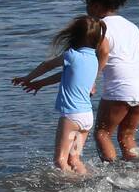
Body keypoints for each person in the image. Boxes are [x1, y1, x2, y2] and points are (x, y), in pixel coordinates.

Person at [12, 15, 105, 175]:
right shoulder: (94, 60)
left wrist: (28, 78)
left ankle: (75, 190)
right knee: (74, 160)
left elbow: (47, 65)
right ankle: (89, 183)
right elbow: (64, 75)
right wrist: (39, 84)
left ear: (74, 35)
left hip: (72, 118)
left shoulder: (71, 55)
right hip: (87, 118)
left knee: (60, 161)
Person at [84, 0, 139, 162]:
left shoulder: (99, 27)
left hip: (121, 85)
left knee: (102, 133)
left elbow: (103, 54)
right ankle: (135, 170)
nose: (86, 8)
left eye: (87, 3)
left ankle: (113, 175)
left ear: (97, 5)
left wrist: (91, 82)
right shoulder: (131, 26)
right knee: (127, 135)